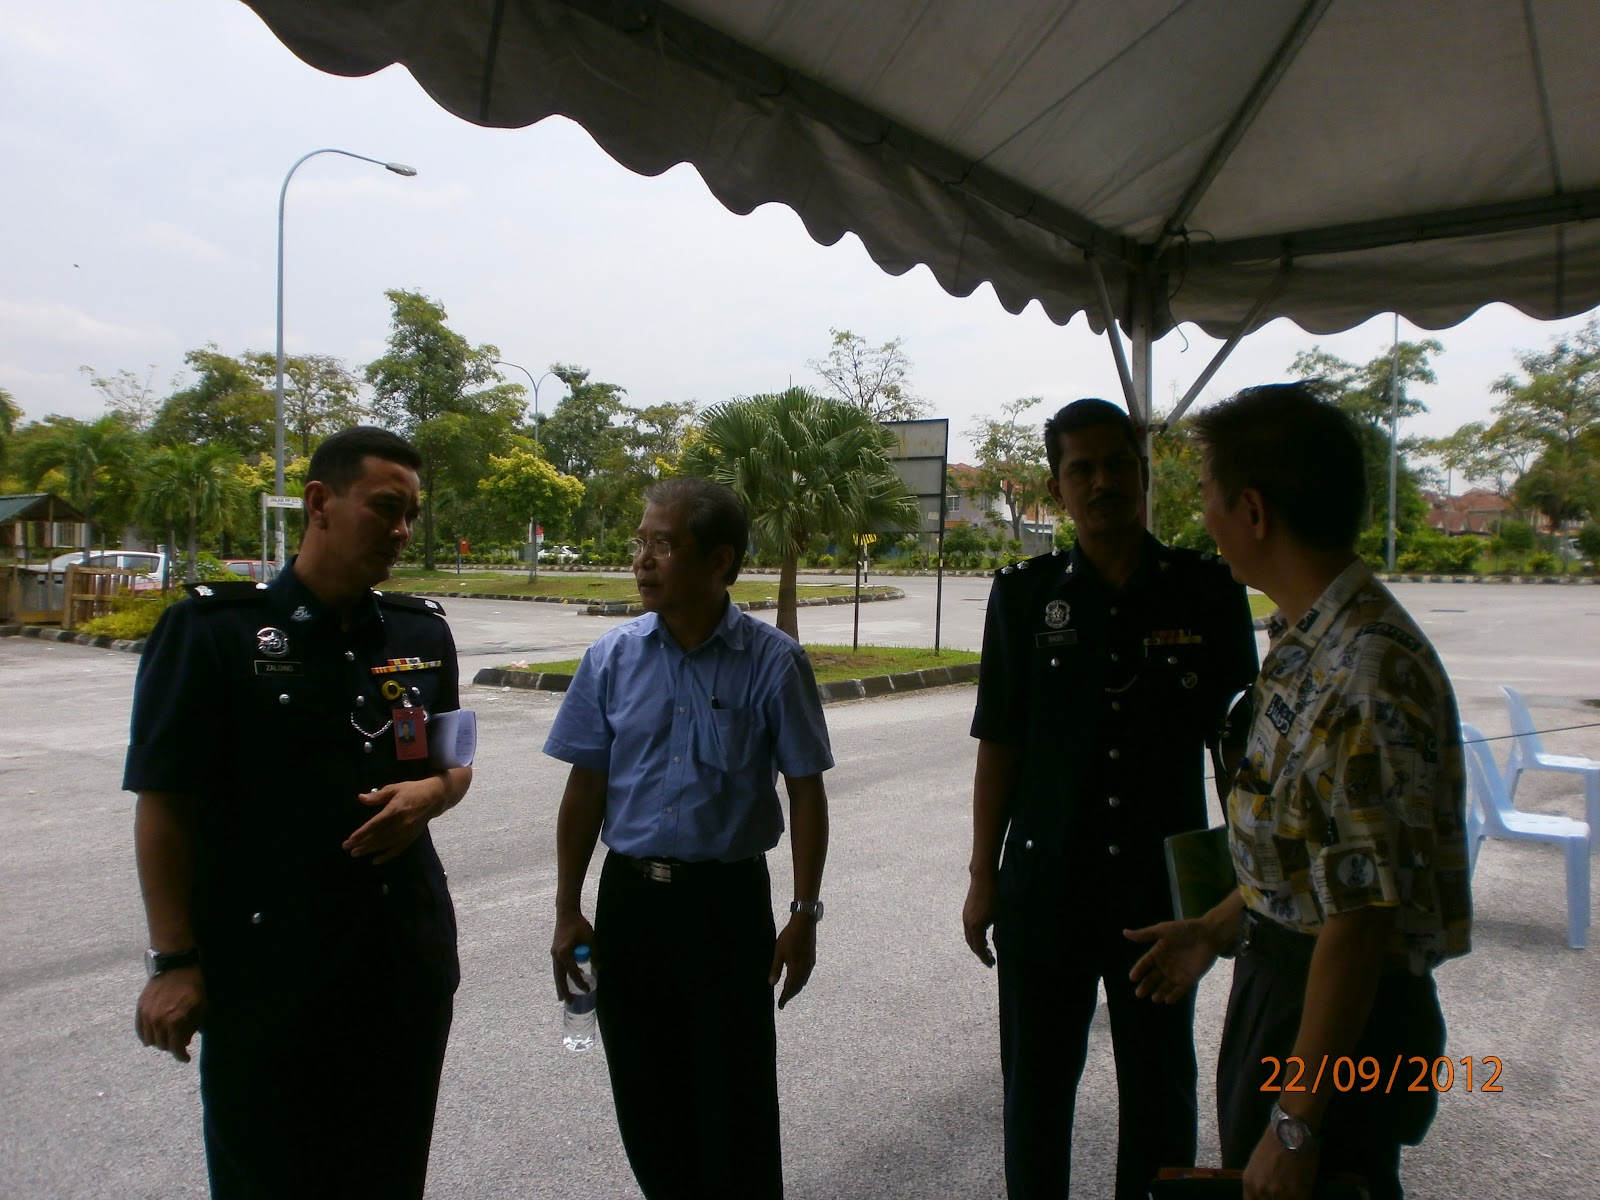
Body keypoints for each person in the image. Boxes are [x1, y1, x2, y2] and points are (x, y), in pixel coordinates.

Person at [1127, 383, 1473, 1200]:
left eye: (1207, 498)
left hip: (1331, 1013)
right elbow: (1314, 851)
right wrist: (1218, 926)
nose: (1200, 520)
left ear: (1252, 511)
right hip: (1284, 982)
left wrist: (1299, 1122)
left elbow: (1358, 919)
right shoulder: (1308, 636)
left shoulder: (1364, 671)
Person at [125, 426, 472, 1198]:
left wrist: (433, 793)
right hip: (270, 974)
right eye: (385, 507)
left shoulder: (422, 633)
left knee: (387, 1172)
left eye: (411, 512)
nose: (402, 530)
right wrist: (174, 961)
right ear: (319, 502)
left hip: (399, 962)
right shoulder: (212, 632)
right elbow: (165, 806)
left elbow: (456, 762)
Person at [963, 398, 1260, 1200]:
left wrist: (1242, 889)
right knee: (1035, 1093)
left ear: (1143, 472)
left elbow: (1236, 754)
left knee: (1161, 1092)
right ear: (1057, 488)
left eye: (1116, 463)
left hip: (1161, 896)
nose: (1102, 482)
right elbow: (1001, 742)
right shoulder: (1024, 597)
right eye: (1081, 468)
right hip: (1044, 887)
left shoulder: (1206, 592)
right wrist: (982, 875)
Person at [545, 476, 833, 1200]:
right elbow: (586, 789)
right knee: (646, 1100)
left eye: (663, 544)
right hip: (632, 903)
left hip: (725, 907)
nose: (642, 559)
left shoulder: (773, 662)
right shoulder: (610, 659)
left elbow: (805, 791)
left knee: (733, 1104)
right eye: (640, 542)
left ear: (718, 560)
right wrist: (566, 908)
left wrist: (804, 914)